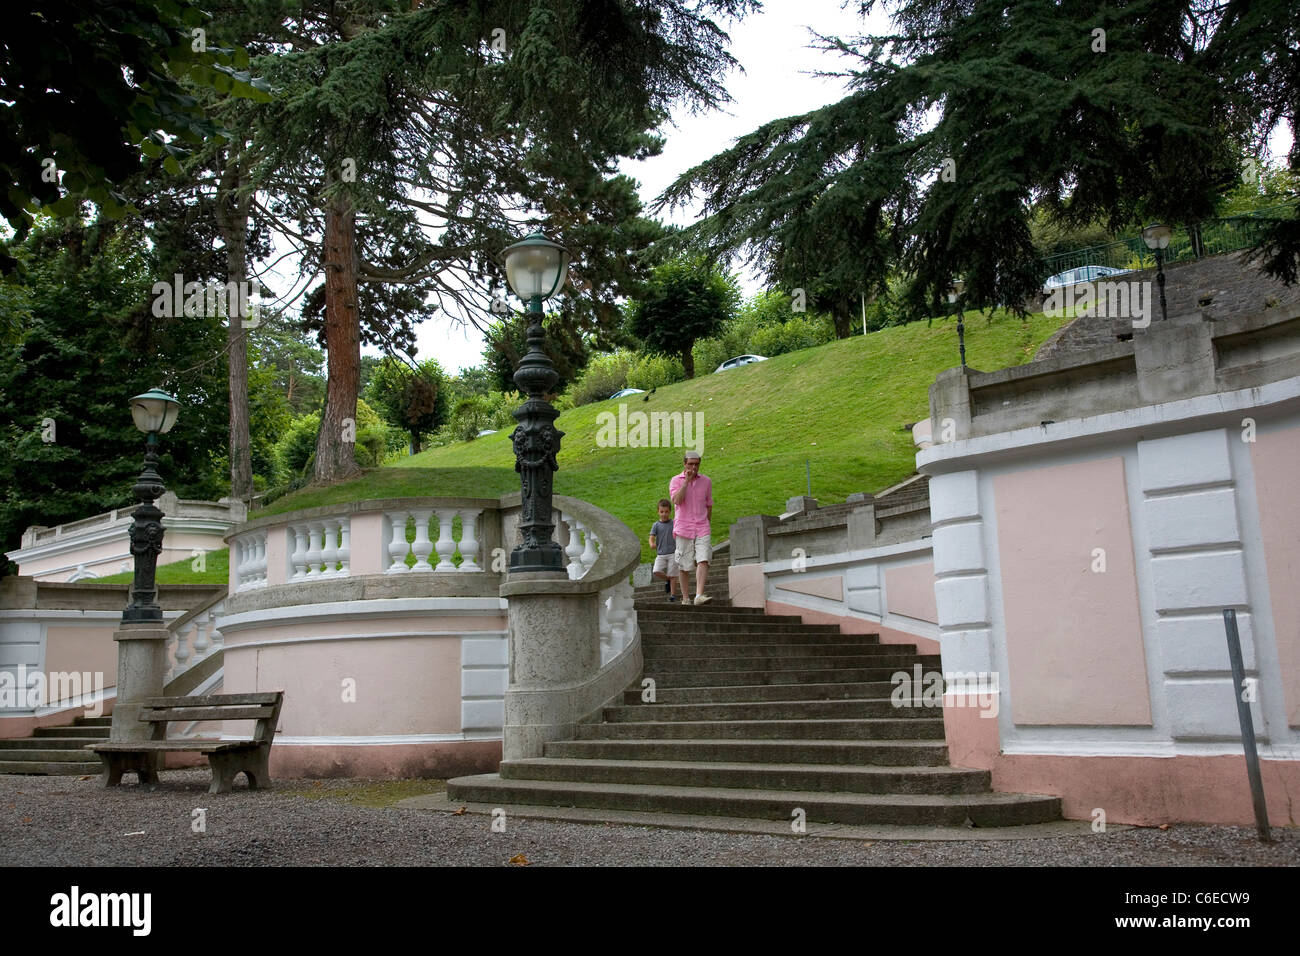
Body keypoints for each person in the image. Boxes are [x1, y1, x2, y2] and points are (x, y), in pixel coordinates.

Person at [669, 449, 713, 605]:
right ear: (684, 464)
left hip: (702, 526)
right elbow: (677, 501)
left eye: (697, 464)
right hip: (684, 528)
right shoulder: (675, 481)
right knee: (684, 565)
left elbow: (709, 504)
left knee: (704, 559)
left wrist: (707, 522)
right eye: (691, 464)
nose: (694, 468)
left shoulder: (706, 481)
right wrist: (686, 482)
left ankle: (699, 595)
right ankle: (686, 597)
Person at [648, 498, 680, 602]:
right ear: (658, 511)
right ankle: (667, 579)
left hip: (672, 553)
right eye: (662, 512)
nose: (664, 514)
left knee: (673, 575)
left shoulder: (674, 523)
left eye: (666, 512)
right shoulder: (656, 525)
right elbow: (651, 536)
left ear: (670, 512)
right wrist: (652, 543)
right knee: (656, 571)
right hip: (661, 553)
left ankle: (673, 595)